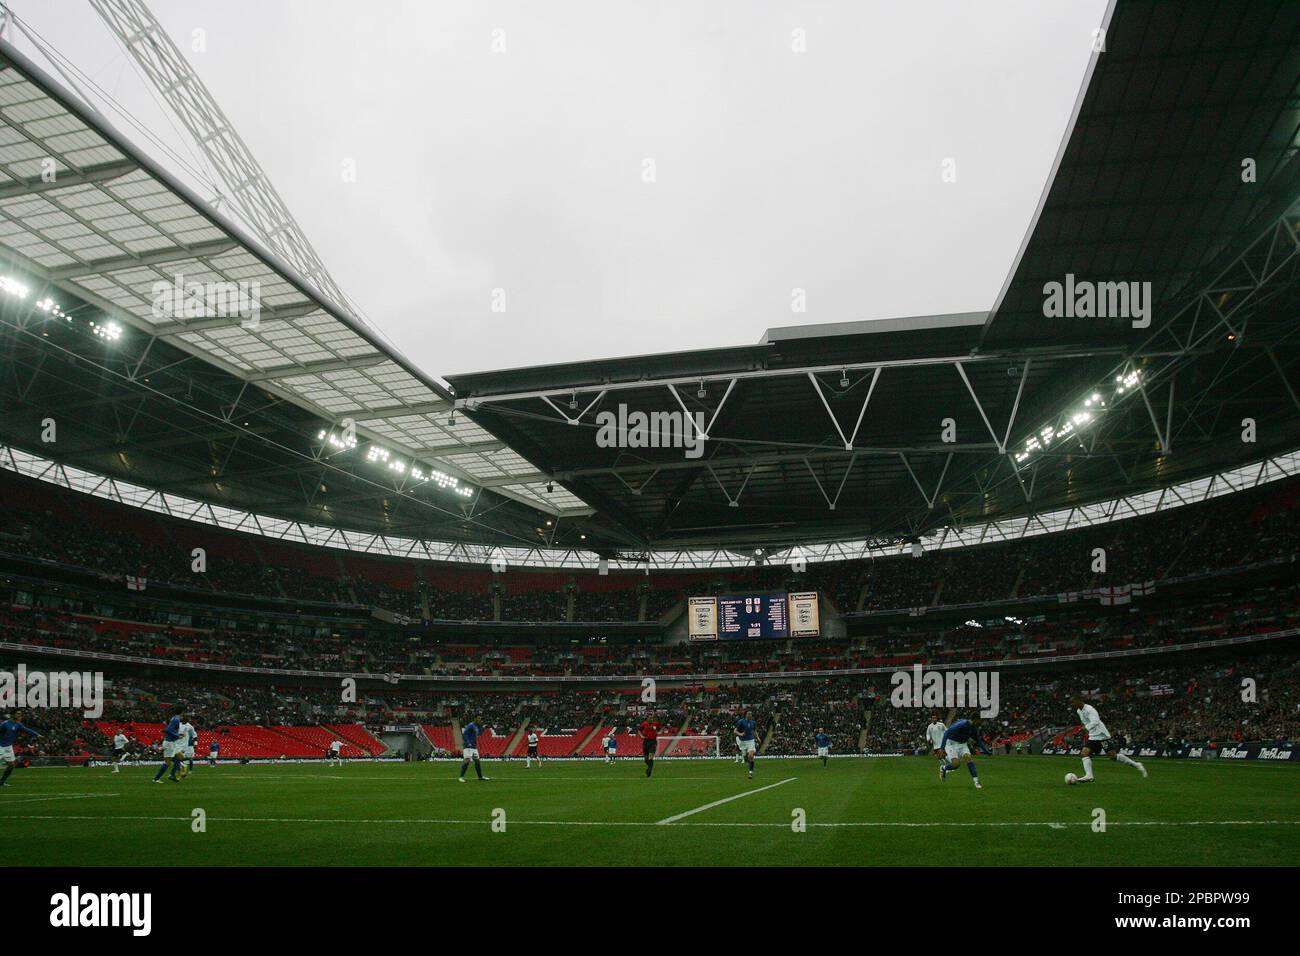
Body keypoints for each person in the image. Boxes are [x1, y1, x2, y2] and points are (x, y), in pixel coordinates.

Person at [1070, 695, 1147, 782]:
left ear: (1079, 700)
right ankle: (1089, 775)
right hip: (1093, 735)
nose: (1072, 704)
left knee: (1113, 756)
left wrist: (1086, 728)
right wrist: (1085, 729)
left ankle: (1136, 765)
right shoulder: (1079, 711)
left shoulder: (1089, 709)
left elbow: (1095, 721)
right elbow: (1086, 722)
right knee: (1085, 753)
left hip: (1101, 735)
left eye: (1073, 702)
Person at [939, 716, 990, 789]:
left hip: (963, 744)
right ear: (975, 720)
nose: (980, 723)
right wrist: (942, 748)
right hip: (951, 744)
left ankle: (976, 781)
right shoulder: (962, 724)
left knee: (968, 758)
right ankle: (943, 768)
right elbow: (946, 733)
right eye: (980, 721)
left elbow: (978, 740)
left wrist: (986, 751)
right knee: (956, 764)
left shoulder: (974, 729)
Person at [0, 712, 40, 787]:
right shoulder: (5, 724)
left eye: (20, 714)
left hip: (8, 747)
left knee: (11, 765)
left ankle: (1, 782)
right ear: (13, 715)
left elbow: (27, 730)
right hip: (0, 746)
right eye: (18, 714)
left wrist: (37, 734)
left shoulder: (18, 724)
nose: (20, 716)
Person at [153, 711, 186, 784]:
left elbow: (170, 730)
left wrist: (178, 735)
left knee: (180, 757)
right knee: (167, 763)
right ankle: (156, 779)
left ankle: (172, 774)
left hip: (172, 743)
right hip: (169, 743)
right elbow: (167, 730)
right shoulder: (176, 719)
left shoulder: (174, 718)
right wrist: (177, 736)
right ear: (182, 713)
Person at [735, 710, 758, 779]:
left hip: (750, 740)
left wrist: (758, 737)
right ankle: (748, 762)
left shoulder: (753, 722)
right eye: (748, 714)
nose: (750, 715)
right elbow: (735, 731)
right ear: (746, 715)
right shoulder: (741, 722)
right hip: (742, 742)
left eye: (751, 714)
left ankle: (750, 773)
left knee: (750, 756)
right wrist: (740, 734)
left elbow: (754, 731)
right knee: (745, 758)